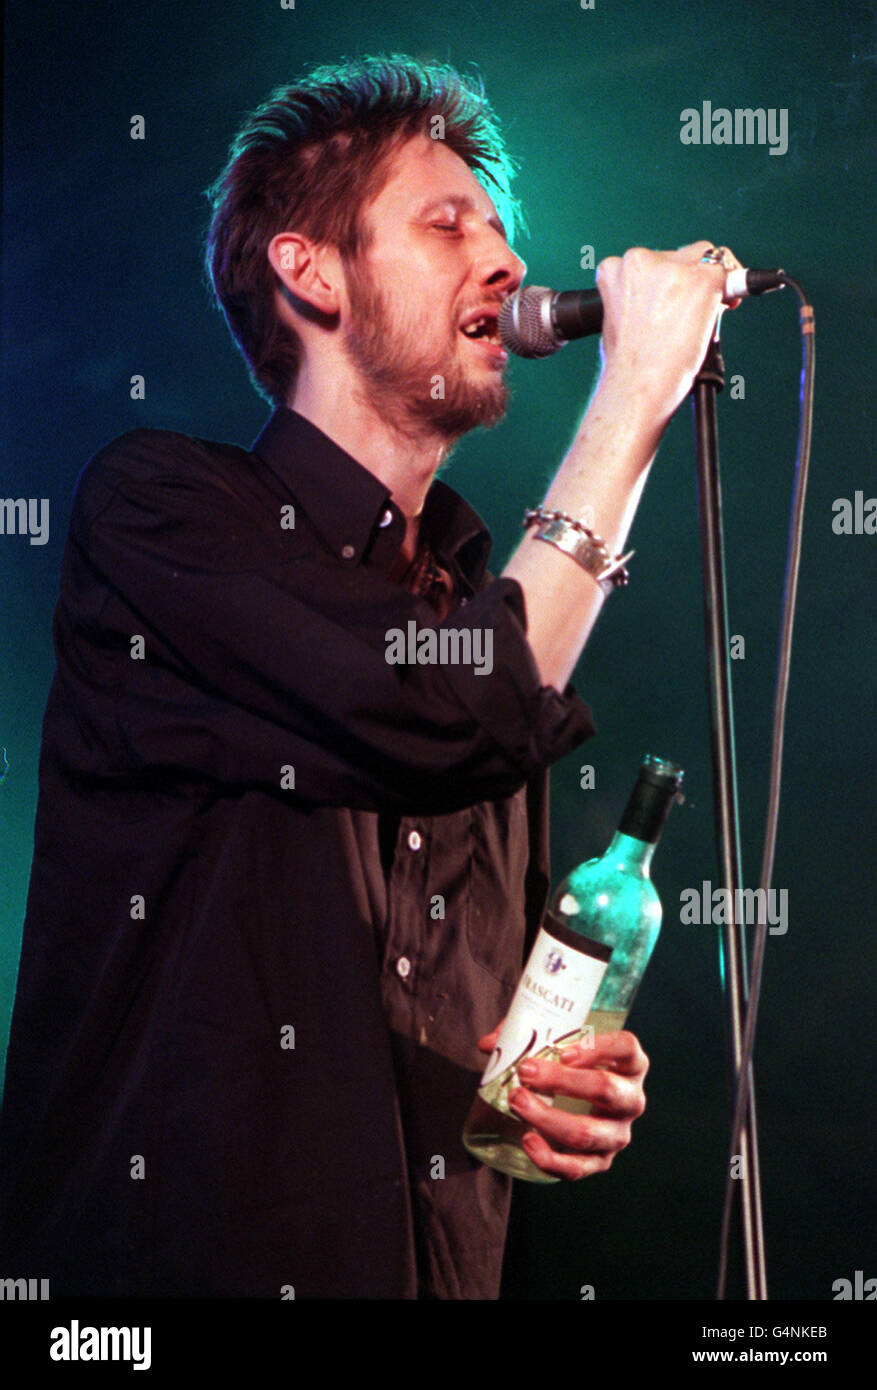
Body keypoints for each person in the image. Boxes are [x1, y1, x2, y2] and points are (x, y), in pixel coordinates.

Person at [0, 55, 738, 1299]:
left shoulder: (473, 616)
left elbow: (429, 1022)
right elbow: (437, 709)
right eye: (447, 223)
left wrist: (547, 1087)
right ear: (311, 272)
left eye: (501, 230)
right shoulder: (164, 514)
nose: (504, 265)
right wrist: (632, 405)